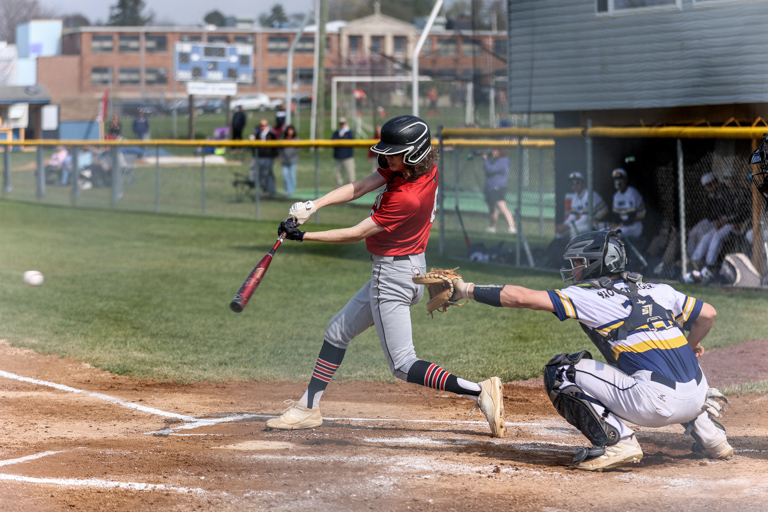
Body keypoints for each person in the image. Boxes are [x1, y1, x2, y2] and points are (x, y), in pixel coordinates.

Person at [265, 115, 505, 439]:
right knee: (337, 332)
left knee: (403, 365)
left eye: (394, 153)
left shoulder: (406, 196)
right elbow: (362, 186)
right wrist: (313, 204)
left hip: (392, 275)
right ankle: (309, 407)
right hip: (411, 267)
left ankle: (479, 392)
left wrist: (303, 237)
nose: (386, 158)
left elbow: (355, 233)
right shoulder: (418, 169)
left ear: (413, 155)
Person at [438, 230, 733, 471]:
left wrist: (465, 290)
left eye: (579, 262)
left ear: (596, 264)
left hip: (655, 405)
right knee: (668, 363)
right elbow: (708, 314)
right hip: (698, 397)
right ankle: (711, 436)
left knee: (560, 371)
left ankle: (618, 441)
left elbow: (521, 298)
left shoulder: (588, 296)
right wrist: (691, 345)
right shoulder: (659, 290)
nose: (574, 268)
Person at [555, 172, 609, 239]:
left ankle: (575, 249)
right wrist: (563, 225)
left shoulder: (590, 195)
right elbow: (572, 216)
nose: (575, 185)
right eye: (572, 183)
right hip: (590, 223)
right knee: (560, 233)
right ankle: (561, 249)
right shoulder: (575, 196)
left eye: (577, 182)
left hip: (601, 224)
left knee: (573, 230)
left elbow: (585, 219)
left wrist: (567, 226)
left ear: (583, 184)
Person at [482, 148, 516, 234]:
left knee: (502, 208)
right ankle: (492, 227)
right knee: (492, 209)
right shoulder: (495, 161)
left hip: (498, 188)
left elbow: (490, 170)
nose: (493, 152)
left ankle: (512, 227)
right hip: (490, 188)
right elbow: (487, 170)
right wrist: (487, 160)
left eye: (495, 150)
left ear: (501, 151)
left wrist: (486, 159)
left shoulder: (503, 161)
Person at [609, 168, 645, 239]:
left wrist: (618, 226)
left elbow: (631, 218)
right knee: (603, 232)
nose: (617, 181)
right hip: (623, 225)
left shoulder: (632, 192)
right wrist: (613, 224)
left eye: (620, 179)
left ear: (625, 180)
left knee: (614, 234)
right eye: (615, 179)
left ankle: (616, 250)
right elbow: (616, 216)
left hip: (635, 225)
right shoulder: (616, 195)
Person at [250, 119, 278, 196]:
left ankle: (270, 189)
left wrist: (275, 155)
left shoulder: (271, 134)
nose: (262, 127)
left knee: (267, 172)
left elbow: (275, 145)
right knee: (262, 172)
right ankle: (265, 189)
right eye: (261, 125)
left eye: (264, 125)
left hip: (269, 156)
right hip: (260, 156)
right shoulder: (258, 134)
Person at [331, 117, 355, 187]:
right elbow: (332, 141)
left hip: (348, 157)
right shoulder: (336, 132)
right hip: (338, 157)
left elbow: (350, 140)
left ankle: (352, 189)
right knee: (338, 175)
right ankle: (338, 190)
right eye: (341, 123)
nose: (342, 125)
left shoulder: (349, 132)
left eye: (343, 123)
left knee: (350, 175)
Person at [279, 125, 299, 196]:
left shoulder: (296, 139)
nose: (290, 131)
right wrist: (282, 156)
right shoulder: (284, 138)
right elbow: (280, 149)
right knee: (285, 175)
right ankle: (287, 190)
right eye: (288, 130)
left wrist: (290, 155)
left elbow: (297, 149)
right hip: (285, 160)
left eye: (291, 130)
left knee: (292, 175)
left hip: (292, 160)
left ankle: (292, 190)